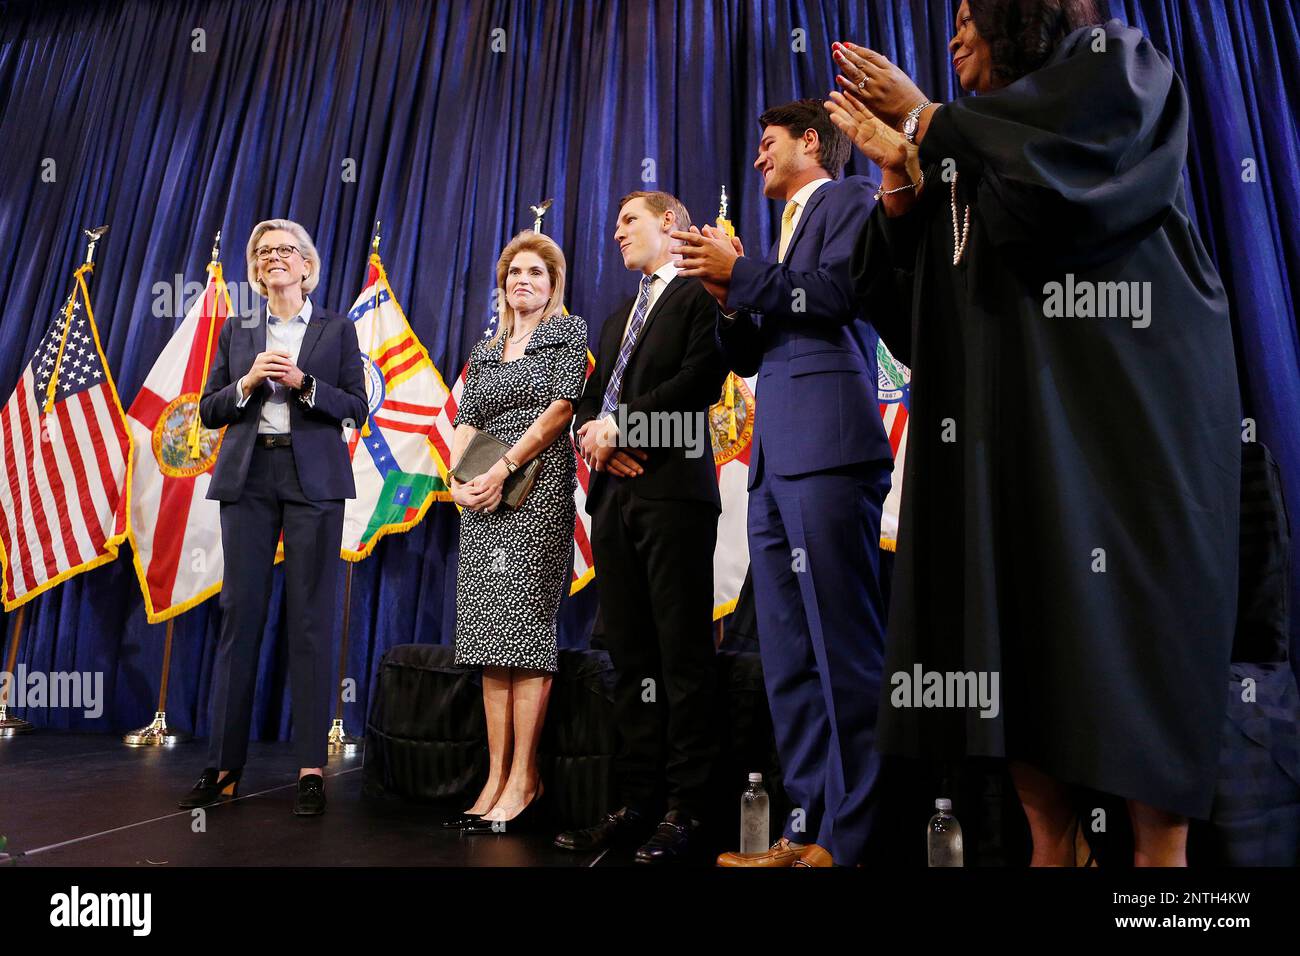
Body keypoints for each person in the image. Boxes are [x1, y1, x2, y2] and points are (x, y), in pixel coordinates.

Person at [827, 0, 1241, 866]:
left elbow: (1073, 178)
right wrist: (904, 178)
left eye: (971, 13)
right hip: (1008, 447)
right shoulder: (965, 149)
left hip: (1124, 432)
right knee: (1007, 642)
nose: (954, 35)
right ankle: (1054, 851)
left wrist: (930, 121)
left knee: (1133, 645)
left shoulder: (1114, 63)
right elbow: (919, 322)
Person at [674, 101, 894, 867]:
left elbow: (838, 298)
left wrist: (746, 274)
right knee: (792, 660)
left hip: (830, 454)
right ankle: (805, 832)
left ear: (811, 142)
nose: (758, 157)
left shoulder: (850, 201)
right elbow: (745, 354)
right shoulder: (782, 232)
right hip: (776, 463)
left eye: (768, 144)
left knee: (845, 655)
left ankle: (852, 841)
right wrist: (726, 295)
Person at [554, 191, 728, 863]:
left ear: (669, 223)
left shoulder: (699, 293)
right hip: (614, 499)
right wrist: (598, 434)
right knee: (631, 659)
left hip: (674, 496)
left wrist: (623, 428)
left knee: (681, 657)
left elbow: (701, 386)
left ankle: (688, 810)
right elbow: (592, 405)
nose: (616, 230)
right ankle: (637, 803)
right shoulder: (618, 316)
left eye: (628, 219)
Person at [182, 218, 368, 816]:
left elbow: (356, 406)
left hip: (313, 481)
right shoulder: (238, 330)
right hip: (248, 479)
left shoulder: (337, 329)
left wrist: (305, 384)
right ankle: (224, 765)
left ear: (307, 267)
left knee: (311, 619)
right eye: (263, 253)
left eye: (285, 251)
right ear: (257, 269)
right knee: (240, 615)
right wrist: (246, 383)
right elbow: (209, 411)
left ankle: (311, 766)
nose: (273, 259)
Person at [443, 231, 588, 834]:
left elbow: (560, 410)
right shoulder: (486, 343)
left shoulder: (567, 333)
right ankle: (494, 776)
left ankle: (525, 777)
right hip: (481, 504)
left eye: (535, 272)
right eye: (513, 273)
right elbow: (467, 418)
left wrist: (503, 469)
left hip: (535, 492)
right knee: (487, 642)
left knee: (523, 638)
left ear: (553, 283)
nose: (521, 281)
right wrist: (459, 481)